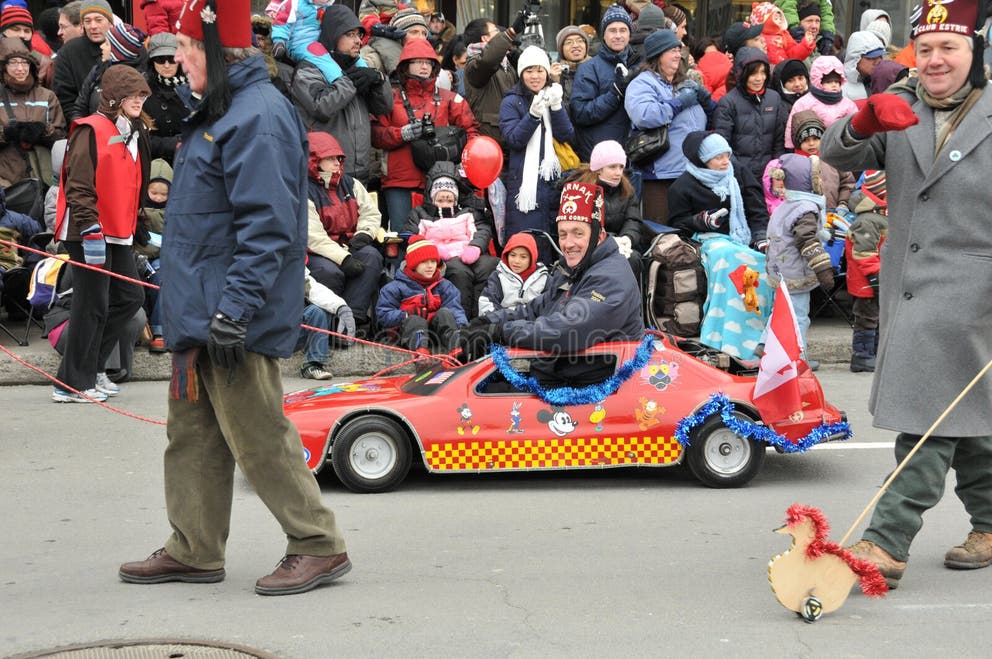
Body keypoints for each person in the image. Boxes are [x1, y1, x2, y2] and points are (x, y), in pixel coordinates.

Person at [119, 0, 350, 596]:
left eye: (189, 52)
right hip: (203, 308)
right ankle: (194, 548)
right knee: (191, 434)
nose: (178, 63)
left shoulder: (258, 116)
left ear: (218, 55)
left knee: (258, 433)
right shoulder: (222, 109)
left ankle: (316, 544)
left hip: (231, 313)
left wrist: (234, 309)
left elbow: (269, 227)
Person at [820, 0, 992, 584]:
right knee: (966, 412)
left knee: (929, 414)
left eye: (950, 47)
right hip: (907, 283)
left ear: (975, 52)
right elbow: (831, 155)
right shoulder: (904, 105)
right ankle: (991, 522)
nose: (936, 60)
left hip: (976, 290)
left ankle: (887, 541)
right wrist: (862, 121)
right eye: (925, 49)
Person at [463, 181, 644, 388]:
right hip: (559, 372)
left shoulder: (611, 277)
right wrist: (485, 322)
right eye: (563, 234)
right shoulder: (572, 267)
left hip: (594, 387)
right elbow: (537, 308)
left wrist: (501, 332)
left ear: (599, 236)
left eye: (578, 233)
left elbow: (567, 330)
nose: (568, 243)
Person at [52, 65, 149, 403]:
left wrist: (138, 225)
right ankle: (71, 383)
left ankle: (91, 369)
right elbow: (78, 184)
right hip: (87, 229)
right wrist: (90, 228)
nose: (139, 100)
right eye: (132, 94)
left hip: (118, 230)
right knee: (90, 305)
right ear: (114, 97)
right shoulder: (89, 129)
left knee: (130, 298)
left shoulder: (133, 131)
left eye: (142, 94)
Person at [667, 131, 772, 359]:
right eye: (718, 157)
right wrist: (701, 220)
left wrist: (761, 236)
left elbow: (757, 210)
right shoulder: (683, 185)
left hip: (742, 241)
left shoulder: (739, 174)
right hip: (708, 241)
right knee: (730, 258)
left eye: (727, 155)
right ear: (702, 160)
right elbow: (676, 223)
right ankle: (725, 332)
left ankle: (751, 325)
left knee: (760, 262)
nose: (726, 161)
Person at [372, 37, 479, 231]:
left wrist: (464, 163)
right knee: (403, 236)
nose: (424, 66)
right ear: (405, 66)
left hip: (441, 183)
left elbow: (471, 132)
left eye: (428, 62)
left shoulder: (450, 99)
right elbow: (375, 135)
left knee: (441, 238)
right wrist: (402, 133)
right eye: (417, 61)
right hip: (400, 181)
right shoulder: (389, 98)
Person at [290, 4, 392, 187]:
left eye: (359, 35)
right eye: (350, 34)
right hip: (322, 174)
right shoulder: (308, 70)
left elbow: (383, 107)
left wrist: (378, 79)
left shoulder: (359, 68)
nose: (358, 41)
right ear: (333, 35)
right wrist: (348, 81)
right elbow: (322, 106)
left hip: (360, 172)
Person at [626, 28, 710, 224]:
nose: (678, 55)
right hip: (660, 175)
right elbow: (644, 116)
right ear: (658, 55)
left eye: (678, 50)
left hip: (691, 171)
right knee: (662, 234)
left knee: (688, 233)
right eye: (672, 50)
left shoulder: (685, 83)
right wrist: (678, 103)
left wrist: (708, 103)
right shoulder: (643, 83)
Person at [305, 131, 383, 337]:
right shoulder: (303, 190)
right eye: (330, 158)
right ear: (314, 160)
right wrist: (343, 258)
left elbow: (371, 213)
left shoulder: (351, 184)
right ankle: (330, 323)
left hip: (350, 244)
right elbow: (312, 236)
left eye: (338, 158)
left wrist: (364, 235)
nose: (337, 163)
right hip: (317, 252)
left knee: (371, 257)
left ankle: (354, 320)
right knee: (330, 272)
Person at [405, 164, 498, 319]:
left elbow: (482, 229)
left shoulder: (467, 212)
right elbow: (413, 236)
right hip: (441, 256)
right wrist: (434, 251)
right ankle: (462, 319)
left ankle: (482, 317)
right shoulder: (420, 214)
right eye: (441, 199)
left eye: (449, 198)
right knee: (460, 272)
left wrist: (475, 247)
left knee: (490, 265)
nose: (445, 202)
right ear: (433, 199)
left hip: (468, 251)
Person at [498, 45, 571, 242]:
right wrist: (532, 115)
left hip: (553, 180)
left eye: (540, 70)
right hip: (523, 182)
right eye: (529, 71)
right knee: (526, 240)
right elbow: (514, 139)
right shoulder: (511, 102)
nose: (535, 76)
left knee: (554, 239)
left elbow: (566, 134)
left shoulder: (552, 95)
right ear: (521, 74)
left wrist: (556, 106)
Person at [764, 152, 832, 355]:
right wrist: (823, 267)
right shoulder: (805, 208)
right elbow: (806, 239)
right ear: (806, 181)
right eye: (817, 176)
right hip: (795, 273)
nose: (821, 180)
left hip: (780, 269)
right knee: (798, 316)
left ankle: (764, 345)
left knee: (781, 313)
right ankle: (797, 359)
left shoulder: (788, 205)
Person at [376, 234, 466, 353]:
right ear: (413, 264)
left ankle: (456, 347)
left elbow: (455, 309)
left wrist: (463, 328)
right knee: (415, 320)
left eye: (433, 261)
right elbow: (383, 314)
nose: (430, 266)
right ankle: (421, 353)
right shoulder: (395, 287)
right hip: (407, 334)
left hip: (436, 333)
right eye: (424, 262)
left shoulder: (444, 285)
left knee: (445, 313)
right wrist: (406, 315)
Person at [712, 46, 788, 187]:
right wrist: (740, 173)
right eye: (753, 74)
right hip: (738, 177)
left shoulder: (774, 98)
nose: (759, 78)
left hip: (768, 175)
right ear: (742, 74)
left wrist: (776, 169)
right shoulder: (728, 102)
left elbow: (779, 141)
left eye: (763, 73)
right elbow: (723, 145)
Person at [569, 4, 636, 162]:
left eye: (623, 30)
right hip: (599, 157)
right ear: (603, 35)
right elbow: (580, 113)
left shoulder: (638, 65)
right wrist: (615, 94)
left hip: (630, 155)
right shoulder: (589, 68)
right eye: (612, 30)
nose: (618, 35)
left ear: (629, 34)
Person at [566, 139, 643, 275]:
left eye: (621, 167)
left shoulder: (627, 189)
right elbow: (579, 227)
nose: (618, 172)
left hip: (621, 245)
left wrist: (627, 238)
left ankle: (627, 296)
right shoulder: (581, 190)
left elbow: (633, 220)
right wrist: (610, 242)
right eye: (612, 167)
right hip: (588, 246)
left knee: (633, 259)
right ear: (599, 169)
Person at [0, 37, 67, 193]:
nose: (20, 68)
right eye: (13, 63)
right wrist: (6, 134)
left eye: (24, 63)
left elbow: (62, 137)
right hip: (6, 181)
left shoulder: (46, 96)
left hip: (42, 179)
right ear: (4, 67)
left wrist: (43, 132)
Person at [843, 170, 886, 373]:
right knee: (866, 319)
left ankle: (873, 353)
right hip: (868, 281)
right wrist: (875, 275)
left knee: (877, 318)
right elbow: (864, 253)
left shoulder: (880, 217)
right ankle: (861, 356)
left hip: (877, 278)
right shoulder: (868, 220)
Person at [462, 17, 520, 158]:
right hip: (488, 147)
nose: (501, 34)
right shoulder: (473, 64)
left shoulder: (507, 62)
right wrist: (511, 32)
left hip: (510, 140)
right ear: (485, 38)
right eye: (496, 31)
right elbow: (488, 60)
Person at [134, 156, 171, 353]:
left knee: (160, 279)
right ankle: (137, 330)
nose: (157, 197)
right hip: (137, 256)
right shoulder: (135, 209)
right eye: (153, 192)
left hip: (160, 259)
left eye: (163, 194)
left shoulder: (174, 212)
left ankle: (159, 330)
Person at [73, 22, 147, 121]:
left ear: (119, 51)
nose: (102, 47)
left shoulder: (141, 80)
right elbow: (79, 109)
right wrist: (83, 129)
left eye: (107, 44)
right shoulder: (97, 71)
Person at [52, 0, 112, 116]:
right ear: (82, 25)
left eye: (99, 20)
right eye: (87, 21)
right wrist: (81, 128)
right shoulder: (68, 52)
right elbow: (65, 100)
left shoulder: (130, 47)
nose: (93, 26)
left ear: (110, 23)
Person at [784, 55, 857, 149]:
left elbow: (855, 126)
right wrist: (790, 147)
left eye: (837, 81)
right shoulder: (804, 103)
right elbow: (792, 126)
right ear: (818, 82)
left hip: (839, 150)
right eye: (829, 82)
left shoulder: (848, 104)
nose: (834, 85)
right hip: (810, 150)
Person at [478, 231, 548, 316]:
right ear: (506, 255)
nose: (516, 261)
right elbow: (486, 304)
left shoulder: (544, 278)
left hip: (534, 324)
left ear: (532, 258)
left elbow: (551, 306)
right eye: (513, 255)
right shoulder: (498, 277)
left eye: (523, 257)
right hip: (503, 323)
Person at [143, 32, 187, 163]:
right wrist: (173, 144)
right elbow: (141, 137)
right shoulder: (142, 89)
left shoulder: (195, 85)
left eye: (172, 59)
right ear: (152, 61)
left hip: (189, 158)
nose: (167, 65)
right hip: (156, 162)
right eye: (160, 60)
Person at [748, 1, 815, 66]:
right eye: (776, 18)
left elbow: (793, 54)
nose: (779, 20)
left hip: (783, 71)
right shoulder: (756, 38)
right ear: (764, 21)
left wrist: (805, 45)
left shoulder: (784, 34)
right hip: (764, 73)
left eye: (780, 17)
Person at [841, 30, 885, 101]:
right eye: (871, 58)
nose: (877, 62)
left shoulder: (882, 82)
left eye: (879, 56)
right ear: (855, 58)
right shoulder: (838, 87)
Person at [555, 24, 590, 108]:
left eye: (580, 41)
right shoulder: (555, 73)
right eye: (569, 42)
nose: (575, 45)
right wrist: (554, 82)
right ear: (561, 49)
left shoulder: (596, 69)